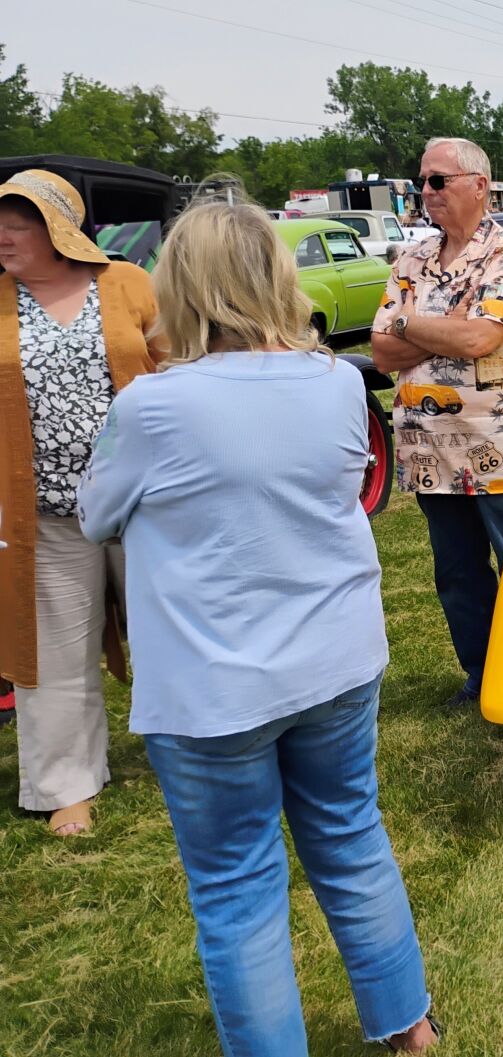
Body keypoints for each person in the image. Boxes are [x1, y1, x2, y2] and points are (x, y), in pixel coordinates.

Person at [76, 194, 438, 1054]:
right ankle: (410, 1026)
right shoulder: (338, 383)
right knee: (352, 840)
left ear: (182, 288)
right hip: (336, 658)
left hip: (213, 684)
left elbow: (96, 514)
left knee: (237, 886)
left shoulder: (154, 407)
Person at [0, 168, 165, 836]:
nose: (4, 237)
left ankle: (192, 752)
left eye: (19, 224)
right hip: (43, 514)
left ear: (58, 229)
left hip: (141, 501)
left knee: (169, 635)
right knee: (54, 650)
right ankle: (65, 782)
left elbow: (175, 368)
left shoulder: (126, 284)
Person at [371, 137, 503, 709]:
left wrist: (407, 324)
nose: (425, 192)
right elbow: (380, 354)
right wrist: (427, 327)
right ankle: (482, 677)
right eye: (421, 181)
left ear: (478, 184)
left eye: (437, 181)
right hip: (430, 449)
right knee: (457, 575)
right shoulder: (411, 259)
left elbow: (480, 338)